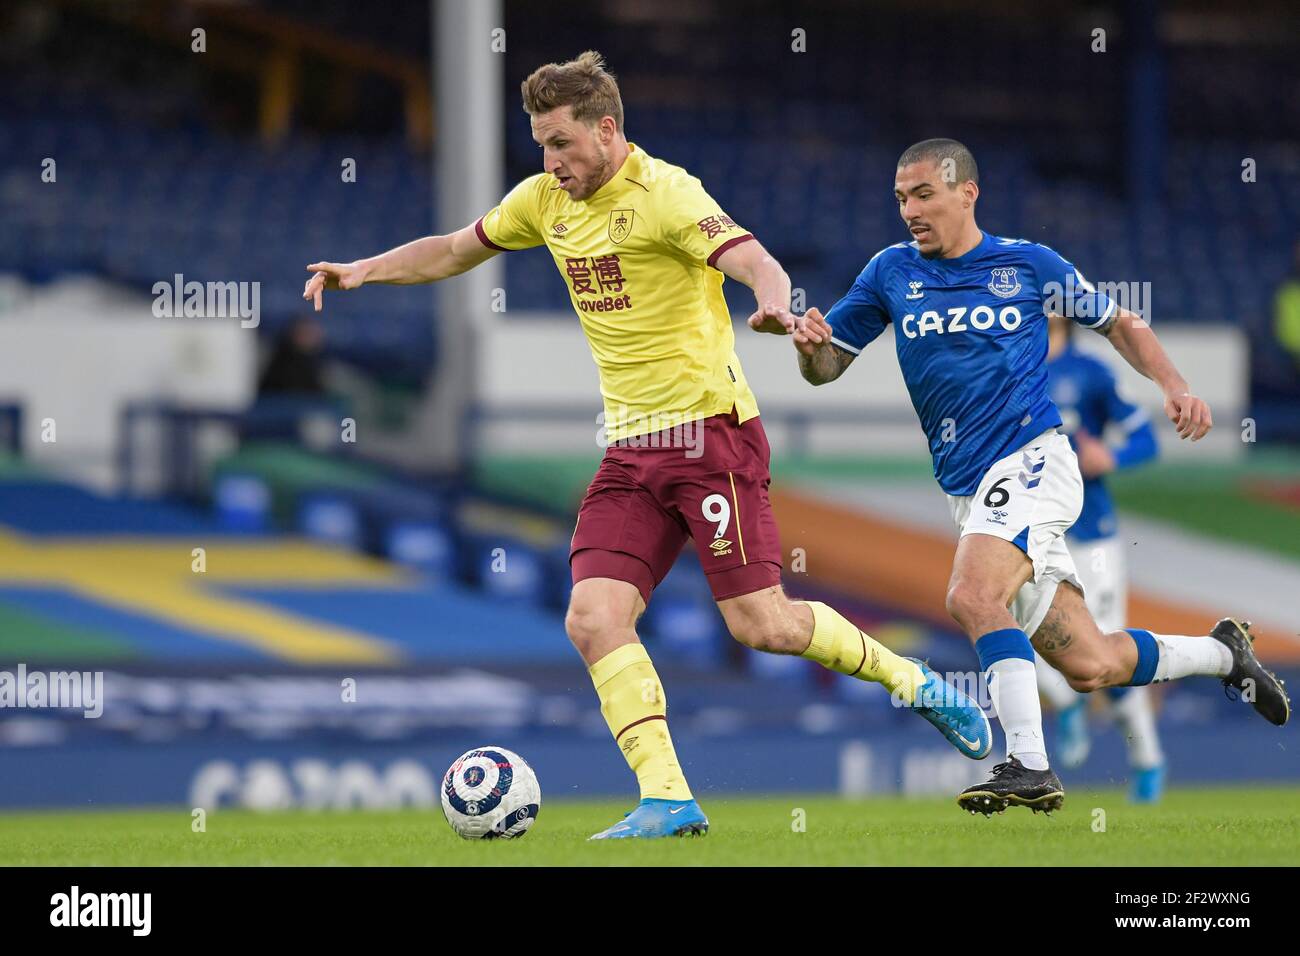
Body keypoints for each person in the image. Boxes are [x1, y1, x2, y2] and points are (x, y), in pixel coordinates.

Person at [302, 55, 990, 839]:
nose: (550, 162)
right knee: (593, 618)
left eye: (560, 143)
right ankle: (668, 797)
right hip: (630, 451)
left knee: (761, 625)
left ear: (606, 129)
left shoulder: (668, 193)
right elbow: (457, 248)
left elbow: (754, 260)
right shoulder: (542, 203)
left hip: (710, 438)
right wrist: (365, 270)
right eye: (540, 146)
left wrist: (771, 307)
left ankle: (918, 683)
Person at [791, 137, 1290, 816]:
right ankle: (1224, 655)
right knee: (1092, 665)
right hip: (967, 490)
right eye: (901, 198)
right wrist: (811, 349)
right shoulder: (889, 273)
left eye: (924, 194)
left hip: (1032, 460)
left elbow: (1121, 323)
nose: (909, 209)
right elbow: (826, 369)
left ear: (968, 191)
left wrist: (1174, 385)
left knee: (971, 596)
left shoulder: (1027, 265)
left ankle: (1027, 763)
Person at [1038, 312, 1165, 802]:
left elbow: (1145, 439)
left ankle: (1147, 762)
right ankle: (1065, 703)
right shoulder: (1010, 365)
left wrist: (1111, 457)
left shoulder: (1090, 372)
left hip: (1092, 533)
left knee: (1108, 655)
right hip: (1035, 535)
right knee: (1019, 633)